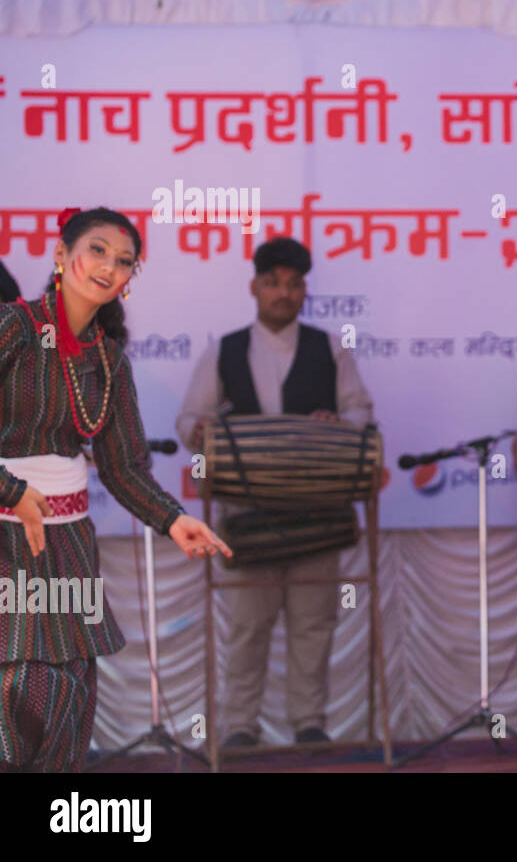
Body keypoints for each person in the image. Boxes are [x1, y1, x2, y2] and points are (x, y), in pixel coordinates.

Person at [0, 207, 229, 771]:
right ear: (60, 254)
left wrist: (174, 520)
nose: (109, 266)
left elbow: (123, 466)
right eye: (97, 250)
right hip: (7, 536)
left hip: (69, 542)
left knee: (71, 689)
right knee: (21, 684)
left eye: (124, 261)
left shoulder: (108, 359)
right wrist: (11, 491)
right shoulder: (14, 327)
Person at [176, 237, 374, 749]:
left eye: (293, 284)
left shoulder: (329, 347)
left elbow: (359, 413)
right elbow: (189, 420)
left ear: (304, 290)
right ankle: (240, 727)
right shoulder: (224, 349)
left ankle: (309, 724)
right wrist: (201, 433)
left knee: (313, 626)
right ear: (254, 287)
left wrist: (339, 423)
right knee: (247, 626)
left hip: (318, 513)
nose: (283, 293)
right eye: (273, 283)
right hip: (246, 516)